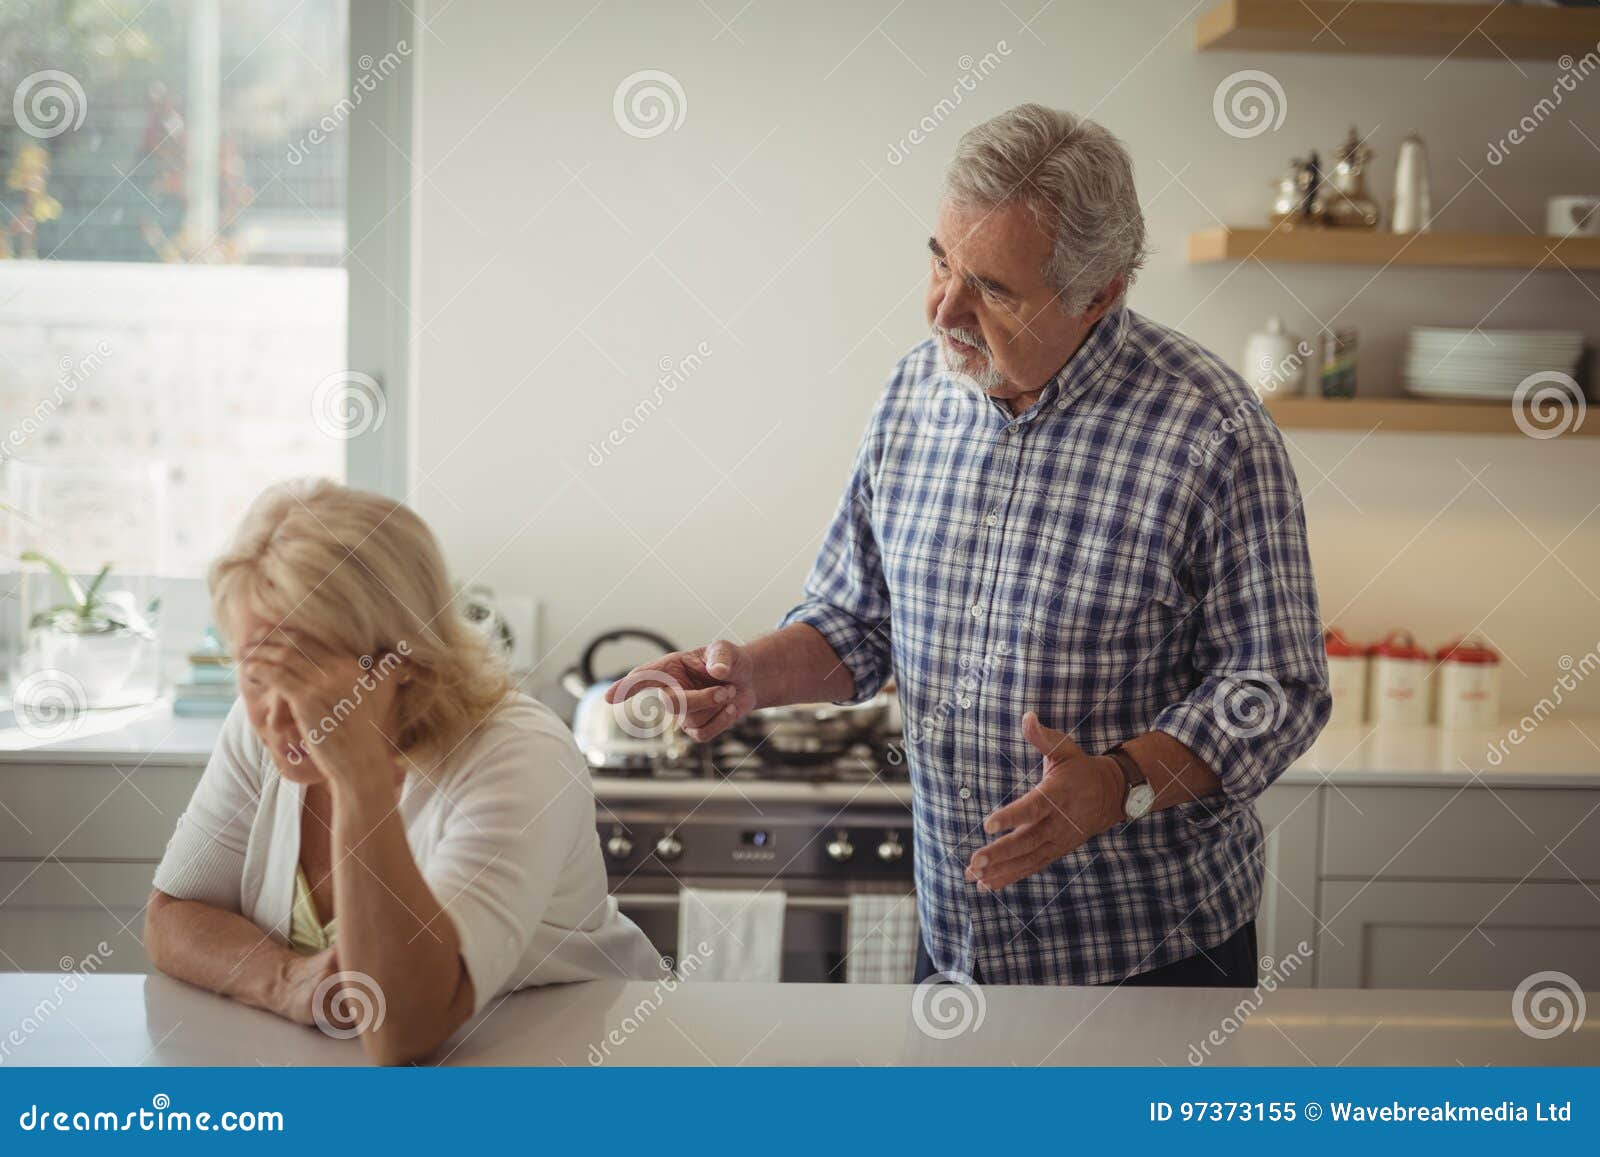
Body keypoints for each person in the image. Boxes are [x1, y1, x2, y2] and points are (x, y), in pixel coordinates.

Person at [612, 104, 1330, 989]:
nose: (943, 308)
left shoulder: (1211, 429)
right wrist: (749, 677)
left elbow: (1277, 687)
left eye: (993, 288)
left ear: (1098, 293)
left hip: (1151, 956)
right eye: (940, 261)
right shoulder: (918, 389)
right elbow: (854, 620)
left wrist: (1117, 784)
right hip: (957, 944)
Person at [146, 479, 661, 1064]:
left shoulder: (519, 752)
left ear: (404, 661)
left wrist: (360, 782)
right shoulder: (256, 720)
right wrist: (286, 981)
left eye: (306, 675)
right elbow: (175, 918)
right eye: (255, 672)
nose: (275, 712)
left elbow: (403, 1033)